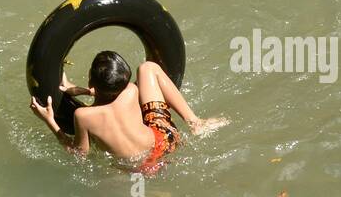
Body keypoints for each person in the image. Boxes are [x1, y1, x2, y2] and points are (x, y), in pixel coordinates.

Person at [30, 52, 228, 175]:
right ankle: (195, 123)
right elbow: (112, 92)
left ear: (91, 81)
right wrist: (83, 89)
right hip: (166, 142)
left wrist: (50, 121)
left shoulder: (83, 116)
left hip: (137, 170)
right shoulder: (131, 92)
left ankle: (195, 123)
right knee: (148, 68)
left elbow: (78, 155)